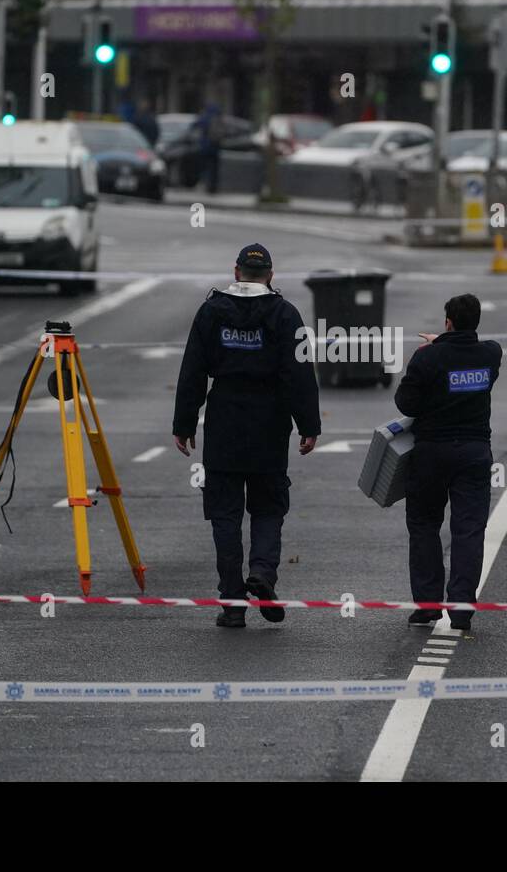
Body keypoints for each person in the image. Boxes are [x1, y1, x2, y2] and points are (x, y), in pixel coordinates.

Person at [172, 244, 321, 628]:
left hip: (224, 421)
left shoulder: (211, 311)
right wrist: (309, 425)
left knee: (224, 513)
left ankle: (233, 601)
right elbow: (299, 374)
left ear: (236, 272)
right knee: (269, 507)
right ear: (270, 275)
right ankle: (263, 574)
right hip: (269, 422)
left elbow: (193, 371)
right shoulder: (285, 314)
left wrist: (184, 424)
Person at [394, 294, 502, 631]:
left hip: (431, 454)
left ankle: (427, 605)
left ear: (447, 322)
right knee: (468, 530)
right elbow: (480, 348)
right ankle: (461, 610)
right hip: (473, 453)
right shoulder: (490, 355)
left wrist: (434, 347)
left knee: (425, 524)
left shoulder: (427, 359)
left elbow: (406, 404)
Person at [194, 101, 223, 194]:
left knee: (205, 167)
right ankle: (213, 187)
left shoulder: (206, 117)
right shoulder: (218, 117)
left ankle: (206, 185)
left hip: (206, 147)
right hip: (216, 147)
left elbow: (196, 125)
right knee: (214, 168)